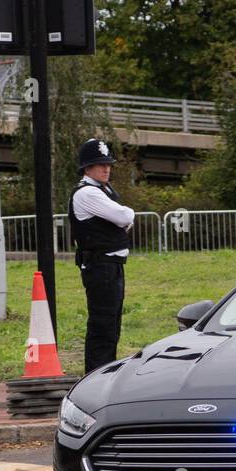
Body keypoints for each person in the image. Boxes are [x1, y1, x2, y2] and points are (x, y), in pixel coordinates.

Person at [69, 138, 135, 373]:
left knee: (111, 325)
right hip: (101, 266)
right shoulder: (88, 194)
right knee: (103, 326)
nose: (107, 168)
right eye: (100, 164)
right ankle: (96, 377)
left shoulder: (102, 191)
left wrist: (123, 215)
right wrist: (128, 213)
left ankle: (103, 375)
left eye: (108, 164)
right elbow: (123, 217)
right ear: (87, 168)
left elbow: (119, 218)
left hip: (110, 265)